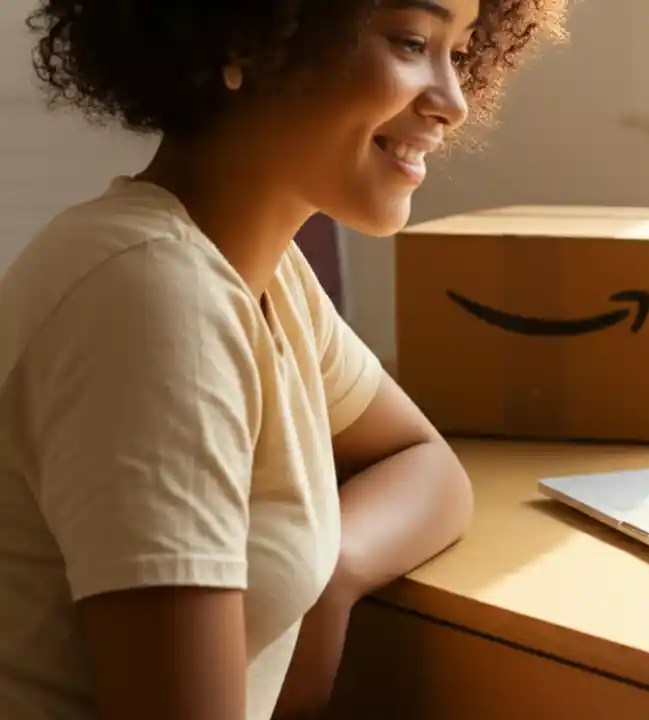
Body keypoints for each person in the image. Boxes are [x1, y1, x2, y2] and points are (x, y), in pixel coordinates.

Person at [0, 1, 566, 718]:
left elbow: (425, 463)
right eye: (413, 41)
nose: (452, 102)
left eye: (459, 54)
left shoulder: (262, 275)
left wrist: (330, 571)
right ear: (247, 34)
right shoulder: (153, 295)